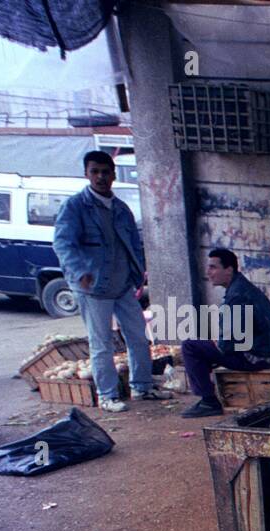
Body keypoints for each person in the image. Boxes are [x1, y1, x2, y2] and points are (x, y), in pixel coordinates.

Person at [52, 150, 170, 412]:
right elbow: (63, 244)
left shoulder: (120, 208)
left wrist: (138, 273)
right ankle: (107, 395)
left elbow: (134, 244)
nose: (101, 177)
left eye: (106, 172)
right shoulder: (75, 207)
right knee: (102, 343)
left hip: (122, 286)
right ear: (87, 174)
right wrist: (79, 271)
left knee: (139, 337)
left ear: (113, 175)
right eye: (95, 172)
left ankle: (142, 386)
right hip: (93, 289)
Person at [179, 248, 270, 418]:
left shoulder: (237, 296)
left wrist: (217, 343)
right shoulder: (241, 287)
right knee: (206, 344)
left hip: (260, 357)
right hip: (269, 351)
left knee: (190, 347)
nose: (209, 272)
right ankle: (210, 390)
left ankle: (209, 401)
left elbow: (227, 346)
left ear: (229, 270)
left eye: (213, 267)